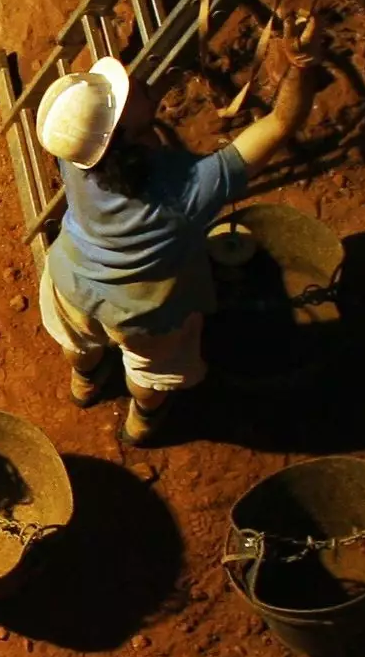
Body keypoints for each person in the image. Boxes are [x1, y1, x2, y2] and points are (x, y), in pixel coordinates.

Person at [33, 22, 325, 444]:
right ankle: (143, 422)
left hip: (69, 279)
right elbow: (280, 124)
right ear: (124, 138)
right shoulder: (184, 191)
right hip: (139, 313)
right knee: (150, 373)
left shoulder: (76, 159)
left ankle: (86, 381)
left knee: (79, 340)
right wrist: (300, 66)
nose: (130, 81)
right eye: (120, 100)